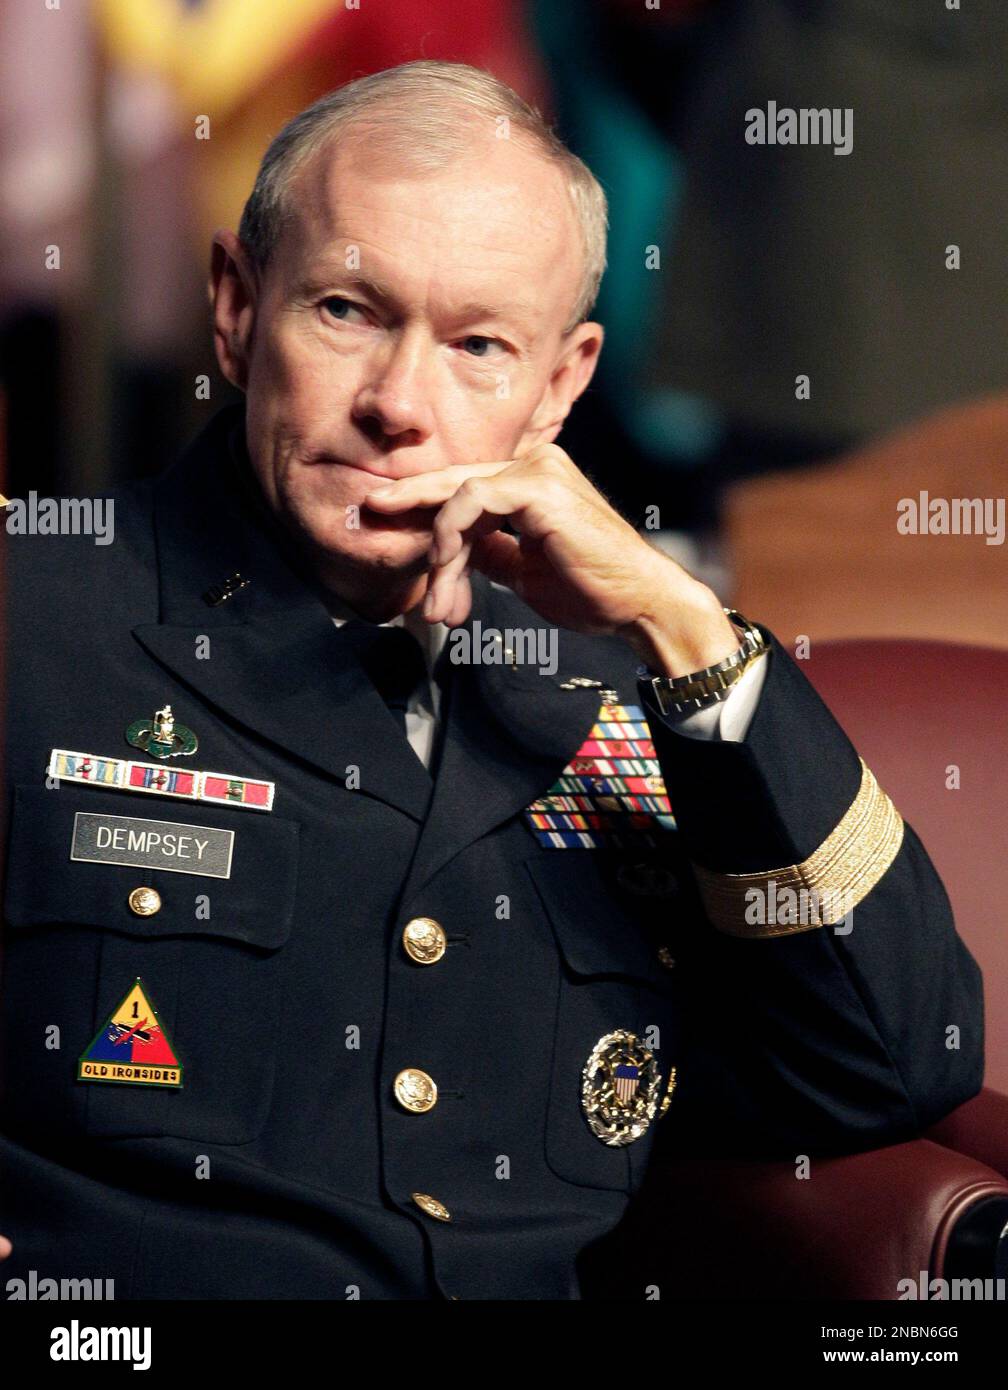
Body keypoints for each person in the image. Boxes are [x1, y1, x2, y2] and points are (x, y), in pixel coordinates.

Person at [0, 60, 983, 1301]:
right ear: (238, 308)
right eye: (348, 311)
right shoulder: (33, 609)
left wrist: (688, 630)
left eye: (478, 344)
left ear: (560, 384)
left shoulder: (630, 691)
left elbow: (897, 1061)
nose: (400, 404)